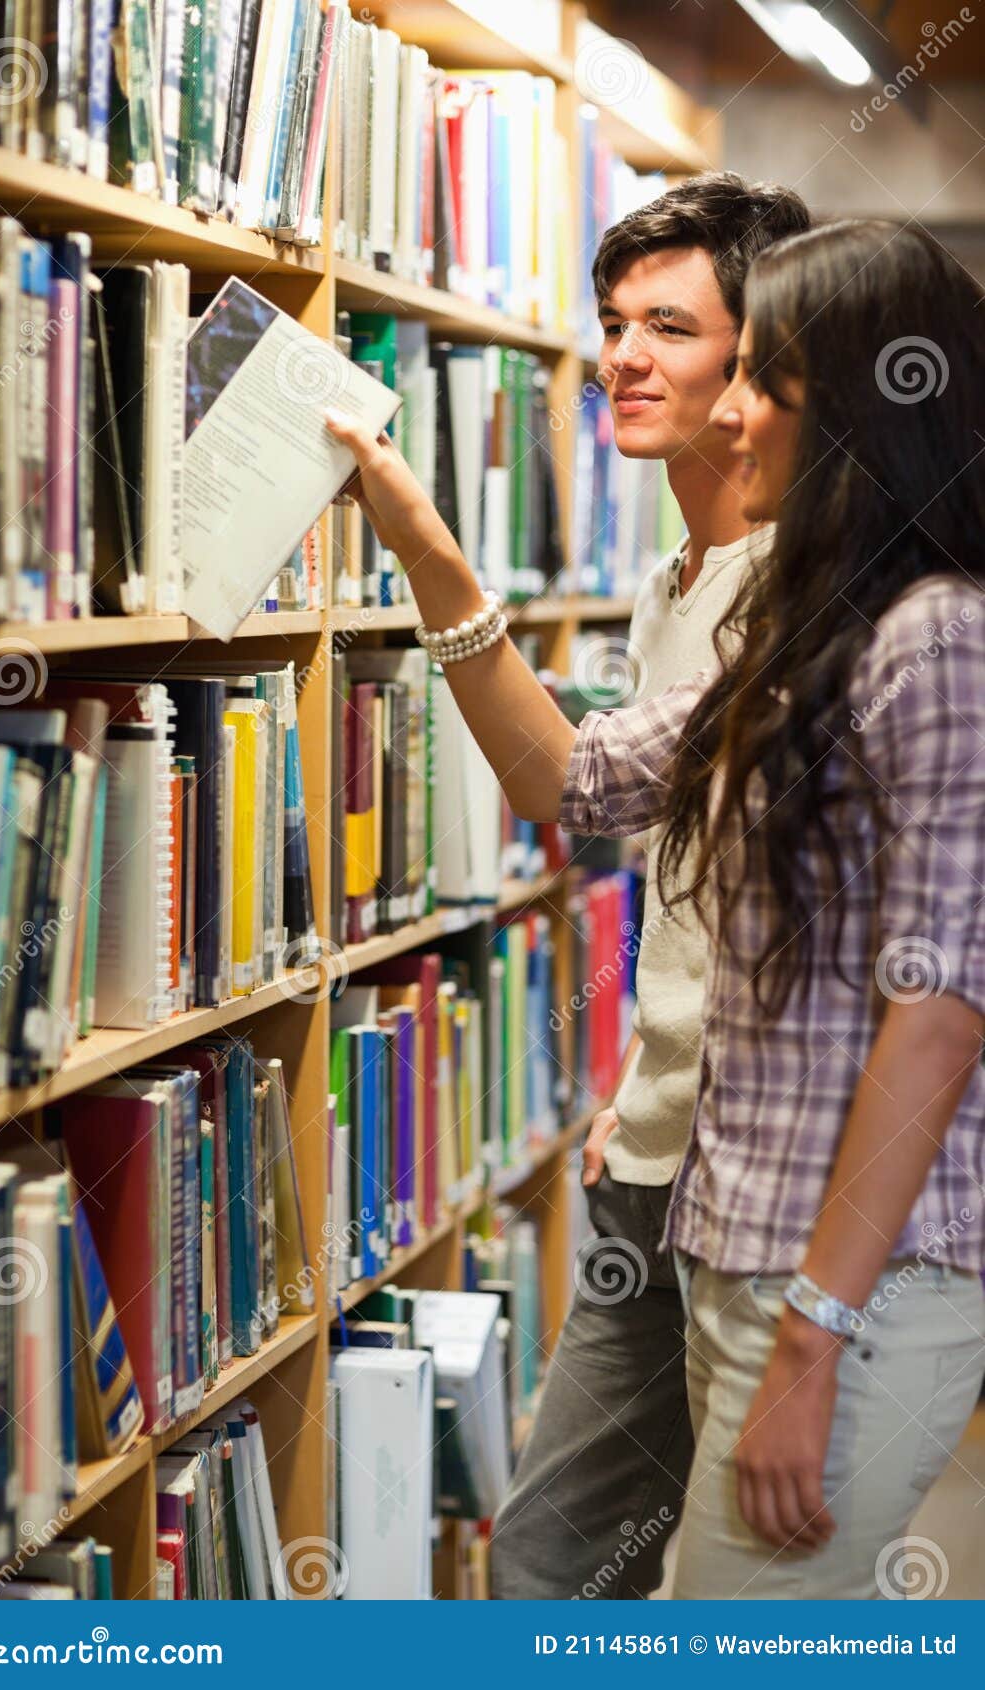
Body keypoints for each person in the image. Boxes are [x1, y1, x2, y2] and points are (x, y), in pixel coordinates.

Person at [325, 216, 985, 1598]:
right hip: (716, 1228)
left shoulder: (937, 638)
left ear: (859, 402)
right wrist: (419, 539)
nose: (728, 408)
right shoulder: (813, 624)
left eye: (762, 373)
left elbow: (934, 1014)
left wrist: (812, 1330)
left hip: (835, 1276)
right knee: (639, 1595)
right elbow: (580, 779)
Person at [489, 172, 810, 1601]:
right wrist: (639, 1065)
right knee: (548, 1563)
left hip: (763, 1191)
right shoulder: (670, 580)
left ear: (760, 359)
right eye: (614, 322)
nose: (621, 356)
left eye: (667, 328)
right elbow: (686, 891)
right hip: (646, 1158)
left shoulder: (810, 599)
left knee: (746, 1594)